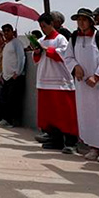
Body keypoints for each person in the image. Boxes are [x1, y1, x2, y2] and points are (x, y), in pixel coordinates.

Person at [65, 8, 99, 163]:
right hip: (82, 84)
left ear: (91, 21)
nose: (81, 22)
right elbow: (68, 56)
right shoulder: (74, 38)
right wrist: (75, 67)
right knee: (87, 114)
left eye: (84, 19)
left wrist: (97, 76)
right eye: (78, 20)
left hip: (98, 85)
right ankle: (93, 146)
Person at [30, 13, 78, 151]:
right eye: (41, 26)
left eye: (44, 26)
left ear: (51, 24)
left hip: (60, 81)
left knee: (65, 112)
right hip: (44, 80)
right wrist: (37, 51)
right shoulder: (41, 39)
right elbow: (36, 59)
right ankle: (55, 139)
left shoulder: (60, 38)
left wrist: (47, 50)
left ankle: (70, 142)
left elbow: (64, 55)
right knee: (50, 113)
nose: (43, 29)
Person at [0, 24, 26, 128]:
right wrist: (2, 74)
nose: (6, 33)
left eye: (8, 31)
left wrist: (18, 72)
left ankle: (14, 121)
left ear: (12, 31)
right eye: (4, 31)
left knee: (14, 100)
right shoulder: (6, 45)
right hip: (6, 76)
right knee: (5, 99)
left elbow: (21, 57)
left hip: (14, 76)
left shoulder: (16, 43)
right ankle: (6, 119)